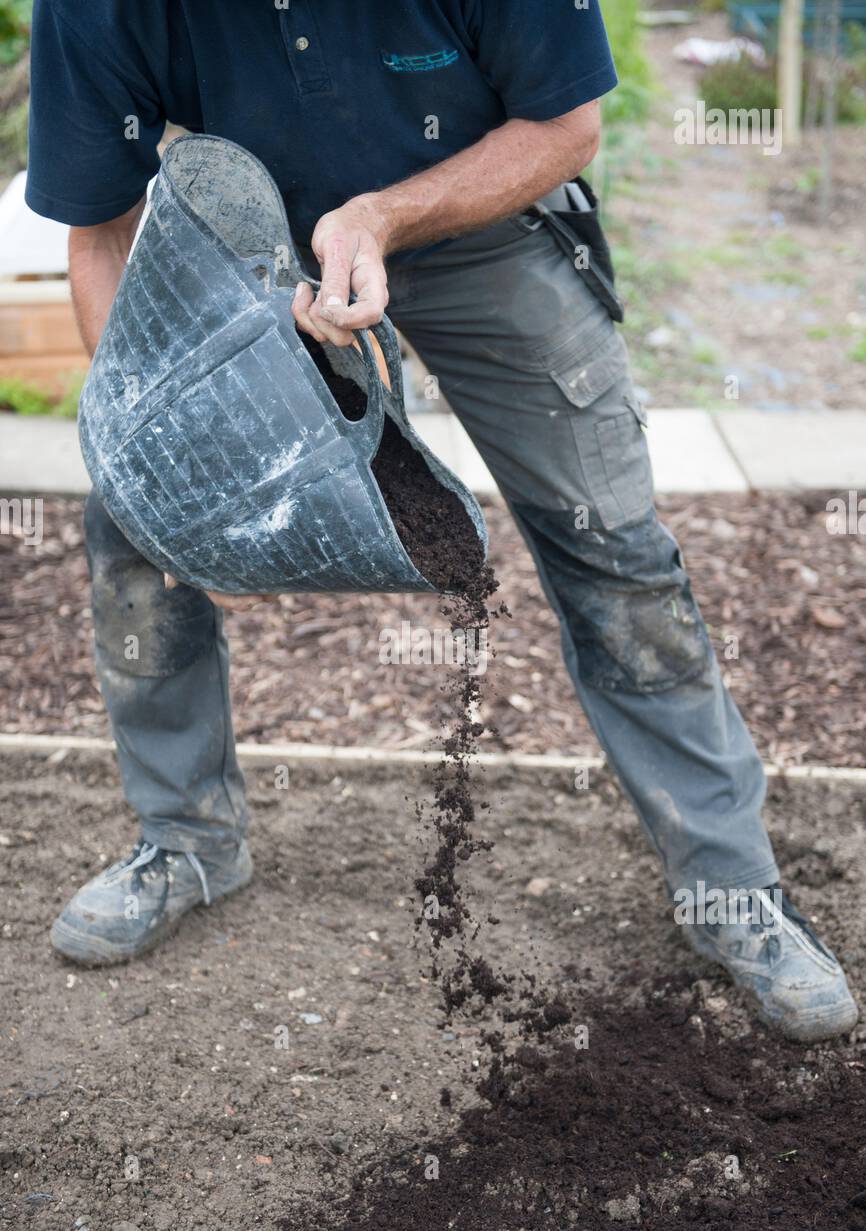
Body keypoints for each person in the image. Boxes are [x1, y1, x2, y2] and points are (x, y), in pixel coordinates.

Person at [25, 0, 857, 1041]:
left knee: (615, 549)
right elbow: (101, 228)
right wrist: (157, 463)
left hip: (480, 226)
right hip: (249, 257)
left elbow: (566, 129)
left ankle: (728, 884)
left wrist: (380, 215)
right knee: (132, 532)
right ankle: (187, 839)